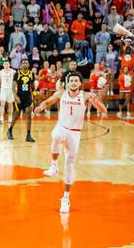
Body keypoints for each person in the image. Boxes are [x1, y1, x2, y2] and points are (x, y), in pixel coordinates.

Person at [36, 72, 108, 213]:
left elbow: (104, 110)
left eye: (76, 80)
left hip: (75, 133)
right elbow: (47, 102)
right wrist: (40, 107)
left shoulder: (86, 96)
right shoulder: (61, 93)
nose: (74, 83)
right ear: (67, 83)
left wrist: (97, 100)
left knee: (69, 164)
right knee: (55, 135)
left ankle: (66, 198)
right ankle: (54, 166)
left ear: (80, 83)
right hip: (62, 127)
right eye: (71, 81)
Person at [9, 60, 37, 141]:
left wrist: (34, 98)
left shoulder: (31, 74)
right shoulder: (17, 74)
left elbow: (33, 87)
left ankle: (28, 135)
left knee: (28, 114)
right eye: (23, 63)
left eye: (26, 63)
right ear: (21, 65)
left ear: (28, 64)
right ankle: (10, 130)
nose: (25, 64)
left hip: (28, 97)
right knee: (16, 115)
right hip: (19, 96)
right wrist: (15, 96)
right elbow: (13, 87)